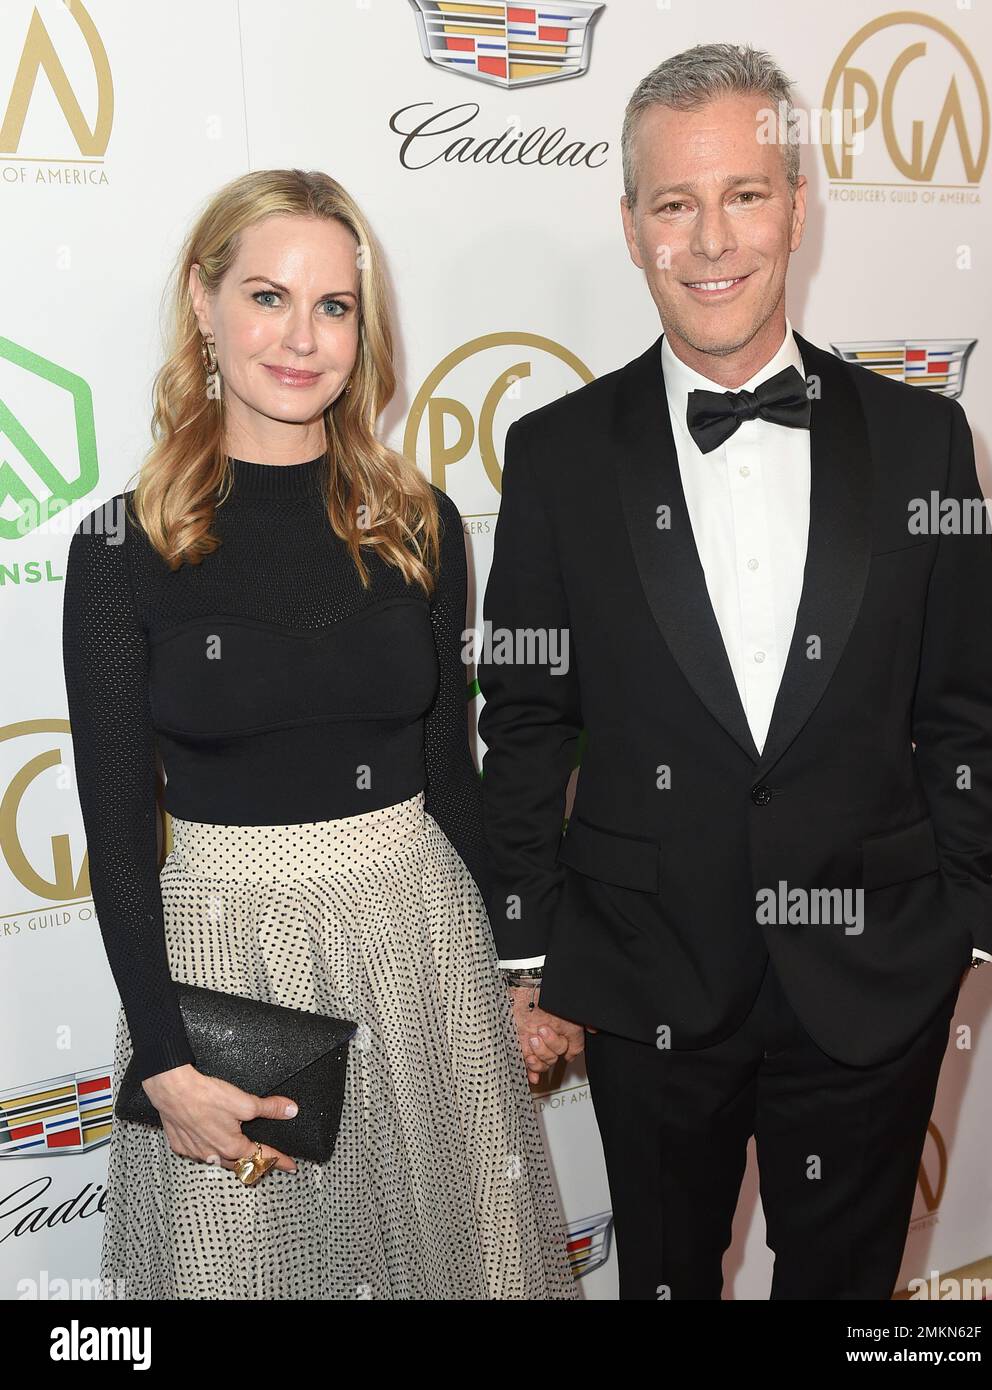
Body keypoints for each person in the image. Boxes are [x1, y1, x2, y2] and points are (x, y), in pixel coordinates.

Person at [477, 44, 992, 1299]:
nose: (710, 239)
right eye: (673, 203)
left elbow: (965, 707)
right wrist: (528, 957)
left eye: (743, 195)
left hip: (873, 977)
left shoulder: (923, 436)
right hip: (645, 975)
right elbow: (525, 718)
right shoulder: (553, 454)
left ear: (795, 207)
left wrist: (952, 926)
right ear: (628, 226)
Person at [62, 168, 577, 1301]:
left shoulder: (416, 521)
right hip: (223, 965)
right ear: (203, 304)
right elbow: (115, 830)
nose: (302, 337)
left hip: (420, 945)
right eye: (267, 297)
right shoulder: (120, 544)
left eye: (334, 306)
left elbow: (452, 774)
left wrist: (519, 969)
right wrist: (162, 1060)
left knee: (459, 1268)